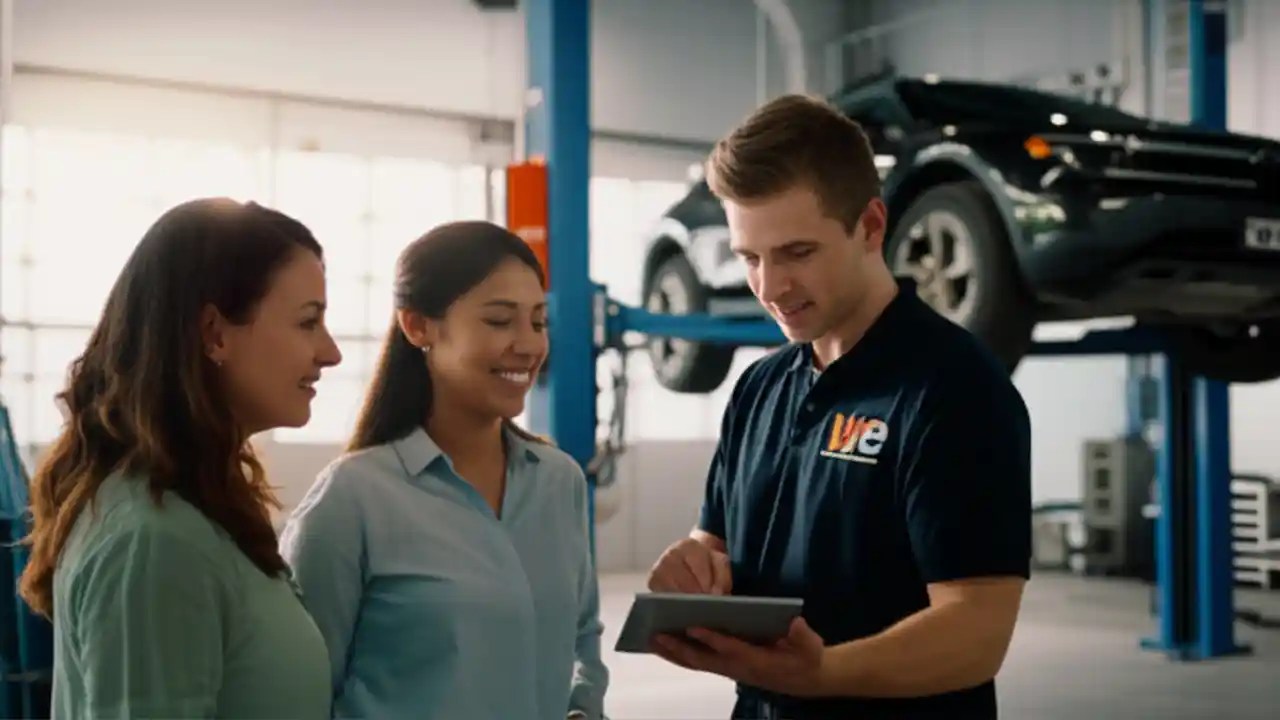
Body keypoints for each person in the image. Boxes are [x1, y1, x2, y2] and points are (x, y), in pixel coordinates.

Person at [646, 94, 1032, 720]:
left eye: (797, 252)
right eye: (750, 258)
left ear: (871, 227)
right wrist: (695, 569)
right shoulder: (759, 389)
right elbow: (715, 544)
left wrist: (822, 675)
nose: (770, 287)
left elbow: (977, 631)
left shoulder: (953, 389)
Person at [18, 197, 344, 719]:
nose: (331, 353)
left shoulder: (200, 513)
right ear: (215, 333)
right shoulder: (154, 539)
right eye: (308, 322)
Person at [278, 220, 609, 720]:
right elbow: (302, 691)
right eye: (499, 321)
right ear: (418, 326)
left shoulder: (559, 481)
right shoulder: (353, 498)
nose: (528, 345)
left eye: (538, 322)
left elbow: (582, 635)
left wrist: (582, 708)